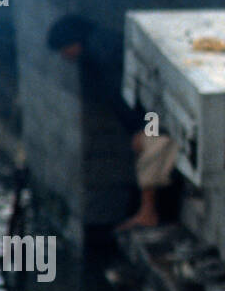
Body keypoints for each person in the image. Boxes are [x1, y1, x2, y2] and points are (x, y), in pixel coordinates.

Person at [46, 16, 177, 231]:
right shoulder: (95, 50)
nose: (63, 56)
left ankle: (149, 213)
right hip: (148, 113)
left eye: (63, 50)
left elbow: (140, 93)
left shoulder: (105, 51)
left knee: (152, 144)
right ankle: (146, 210)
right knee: (146, 146)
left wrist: (141, 127)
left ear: (73, 42)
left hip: (156, 112)